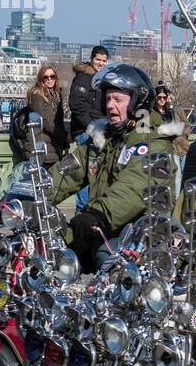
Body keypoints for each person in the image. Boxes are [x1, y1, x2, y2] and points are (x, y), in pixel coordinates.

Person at [49, 63, 176, 273]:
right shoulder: (102, 140)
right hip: (100, 231)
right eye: (107, 98)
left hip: (138, 245)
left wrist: (96, 215)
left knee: (104, 261)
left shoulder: (153, 144)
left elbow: (133, 188)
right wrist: (24, 195)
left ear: (137, 104)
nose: (110, 105)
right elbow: (68, 171)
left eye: (118, 99)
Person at [68, 44, 110, 209]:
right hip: (87, 132)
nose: (100, 63)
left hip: (100, 131)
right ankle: (82, 209)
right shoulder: (84, 77)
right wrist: (91, 127)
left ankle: (91, 208)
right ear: (92, 59)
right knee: (87, 174)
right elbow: (76, 104)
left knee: (97, 174)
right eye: (98, 59)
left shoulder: (102, 78)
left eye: (103, 61)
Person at [20, 65, 68, 165]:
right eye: (46, 77)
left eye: (52, 76)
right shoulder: (37, 95)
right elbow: (43, 120)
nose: (49, 79)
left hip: (54, 145)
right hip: (41, 146)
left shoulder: (57, 96)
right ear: (40, 79)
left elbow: (58, 121)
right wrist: (63, 135)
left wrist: (64, 142)